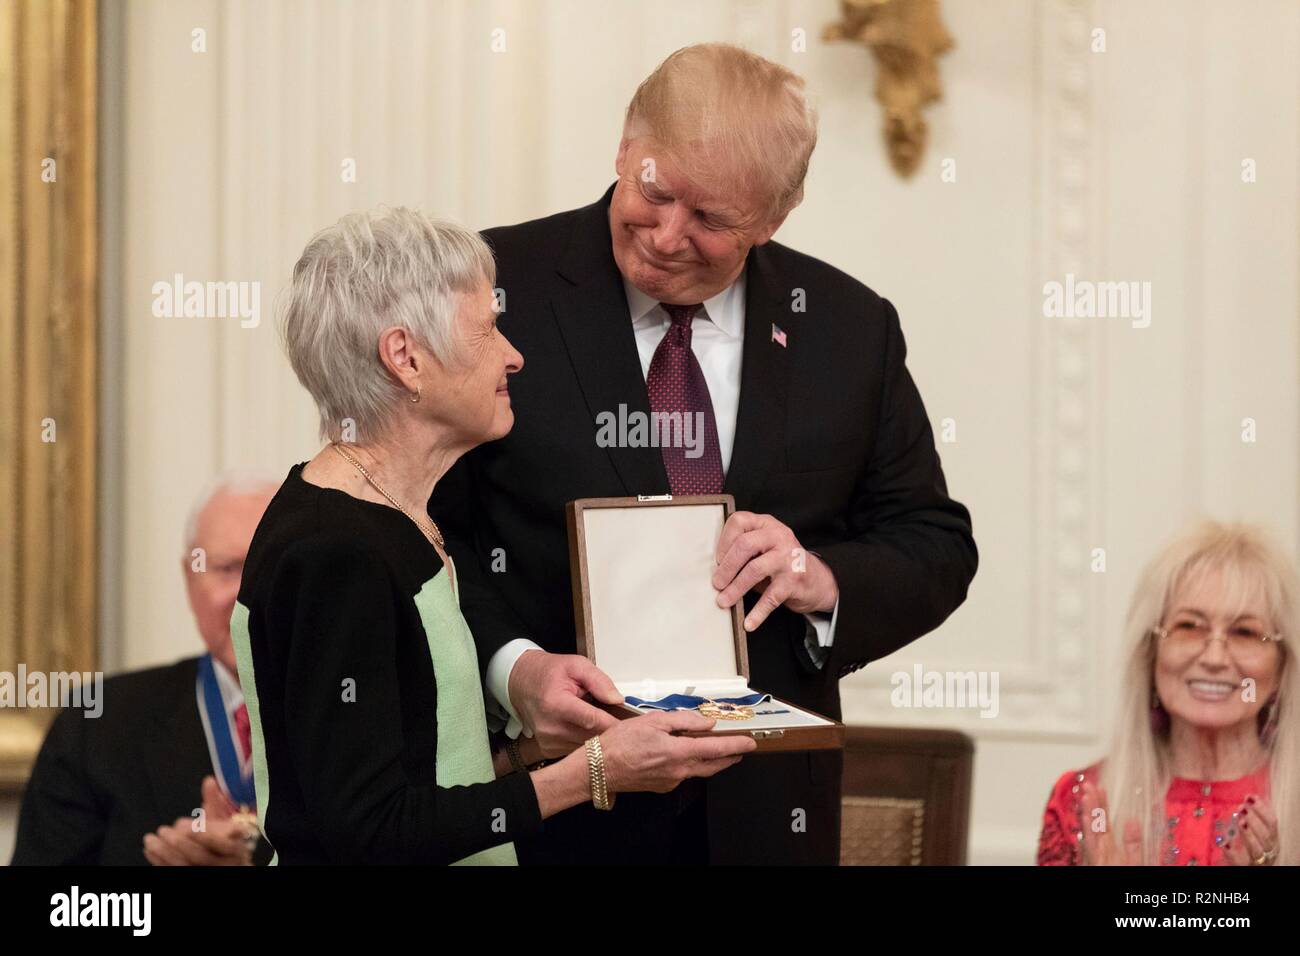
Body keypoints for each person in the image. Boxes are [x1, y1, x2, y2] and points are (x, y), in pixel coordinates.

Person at [429, 43, 978, 865]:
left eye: (714, 220)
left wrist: (818, 578)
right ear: (624, 146)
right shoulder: (492, 289)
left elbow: (934, 544)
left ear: (774, 218)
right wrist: (515, 670)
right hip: (555, 807)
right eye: (655, 190)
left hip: (766, 818)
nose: (666, 235)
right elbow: (418, 527)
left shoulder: (847, 326)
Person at [231, 206, 755, 864]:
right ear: (406, 357)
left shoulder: (394, 518)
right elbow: (362, 830)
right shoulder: (334, 549)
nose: (513, 356)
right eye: (487, 331)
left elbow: (428, 774)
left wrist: (540, 743)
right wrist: (594, 771)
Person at [12, 475, 278, 866]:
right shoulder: (96, 721)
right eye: (227, 569)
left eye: (271, 566)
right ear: (191, 579)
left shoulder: (371, 719)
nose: (248, 597)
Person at [1037, 520, 1298, 866]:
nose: (1214, 657)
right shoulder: (1081, 801)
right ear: (1150, 651)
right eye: (1188, 626)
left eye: (1245, 632)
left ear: (1282, 665)